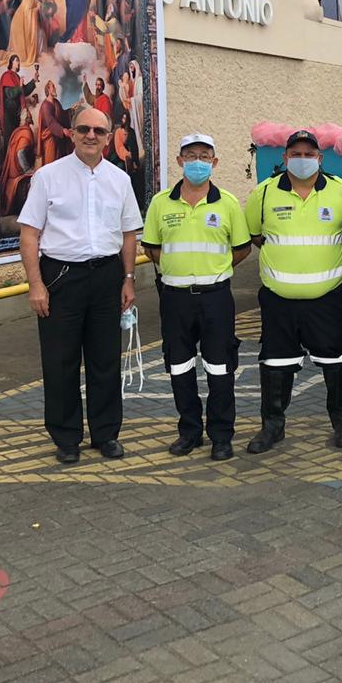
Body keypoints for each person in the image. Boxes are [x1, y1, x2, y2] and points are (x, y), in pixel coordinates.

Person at [18, 107, 142, 464]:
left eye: (99, 131)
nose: (91, 135)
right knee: (61, 361)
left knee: (105, 359)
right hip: (61, 277)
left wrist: (128, 279)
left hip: (106, 276)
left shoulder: (119, 179)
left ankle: (106, 434)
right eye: (84, 129)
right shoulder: (48, 177)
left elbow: (129, 233)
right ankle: (66, 437)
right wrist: (36, 285)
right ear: (71, 134)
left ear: (108, 137)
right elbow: (29, 234)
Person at [244, 130, 342, 453]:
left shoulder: (341, 192)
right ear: (284, 158)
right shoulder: (264, 194)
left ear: (320, 159)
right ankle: (273, 426)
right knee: (275, 364)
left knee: (338, 362)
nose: (303, 159)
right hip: (280, 302)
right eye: (296, 153)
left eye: (310, 154)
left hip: (330, 301)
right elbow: (255, 235)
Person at [141, 134, 251, 461]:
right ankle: (189, 432)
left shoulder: (228, 203)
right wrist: (181, 270)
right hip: (175, 298)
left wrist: (213, 269)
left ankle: (221, 435)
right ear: (179, 161)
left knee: (220, 367)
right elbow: (152, 247)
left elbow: (242, 248)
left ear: (215, 163)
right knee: (179, 365)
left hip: (216, 297)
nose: (198, 162)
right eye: (191, 156)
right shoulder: (162, 202)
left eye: (205, 156)